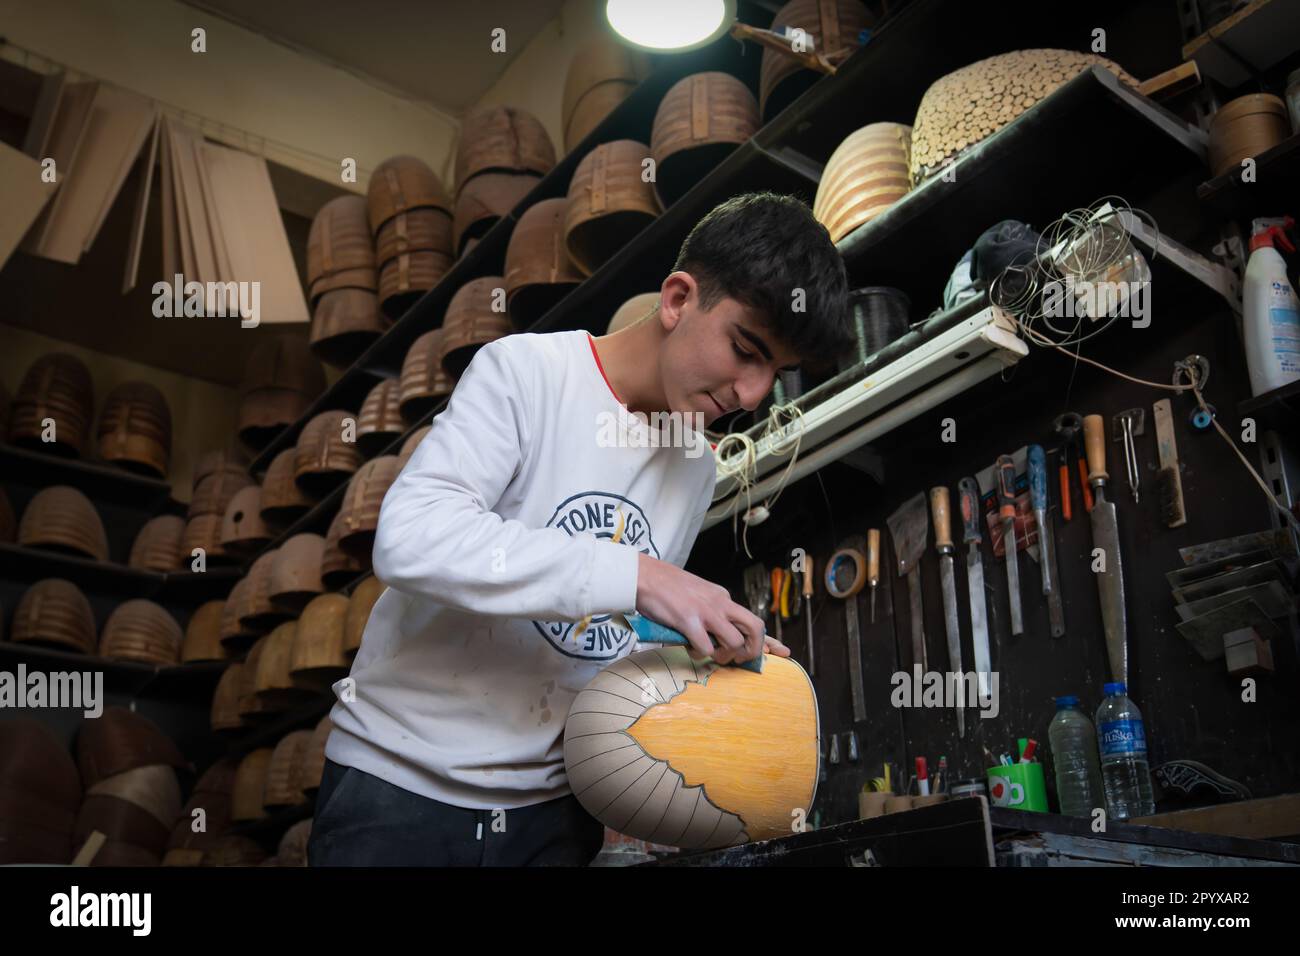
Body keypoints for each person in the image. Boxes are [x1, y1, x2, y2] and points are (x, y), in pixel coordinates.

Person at [307, 191, 853, 866]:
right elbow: (411, 537)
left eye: (775, 373)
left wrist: (700, 638)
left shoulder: (693, 467)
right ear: (679, 299)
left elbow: (601, 624)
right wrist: (643, 576)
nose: (751, 394)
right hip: (399, 794)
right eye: (746, 350)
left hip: (552, 818)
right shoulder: (527, 376)